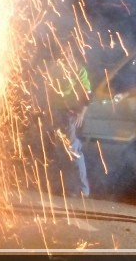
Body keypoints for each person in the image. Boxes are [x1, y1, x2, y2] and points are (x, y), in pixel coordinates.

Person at [53, 62, 92, 199]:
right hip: (59, 113)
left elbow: (87, 93)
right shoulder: (57, 68)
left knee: (72, 150)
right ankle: (70, 187)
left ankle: (82, 189)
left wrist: (81, 113)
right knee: (64, 150)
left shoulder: (79, 70)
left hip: (69, 114)